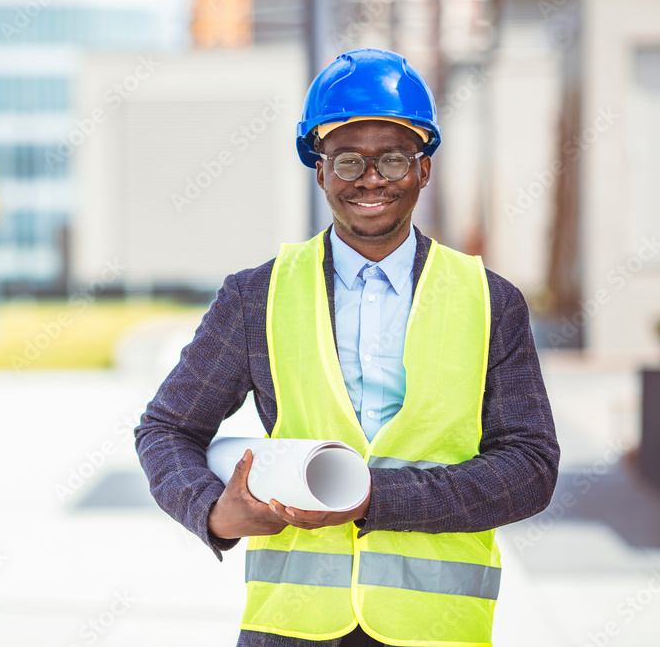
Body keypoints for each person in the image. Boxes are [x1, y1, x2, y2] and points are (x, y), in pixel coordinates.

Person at [134, 48, 560, 647]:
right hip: (290, 628)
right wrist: (212, 511)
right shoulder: (257, 296)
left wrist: (371, 499)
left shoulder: (491, 301)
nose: (371, 179)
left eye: (393, 158)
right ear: (320, 170)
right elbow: (165, 428)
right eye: (348, 159)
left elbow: (530, 469)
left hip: (435, 633)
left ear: (424, 168)